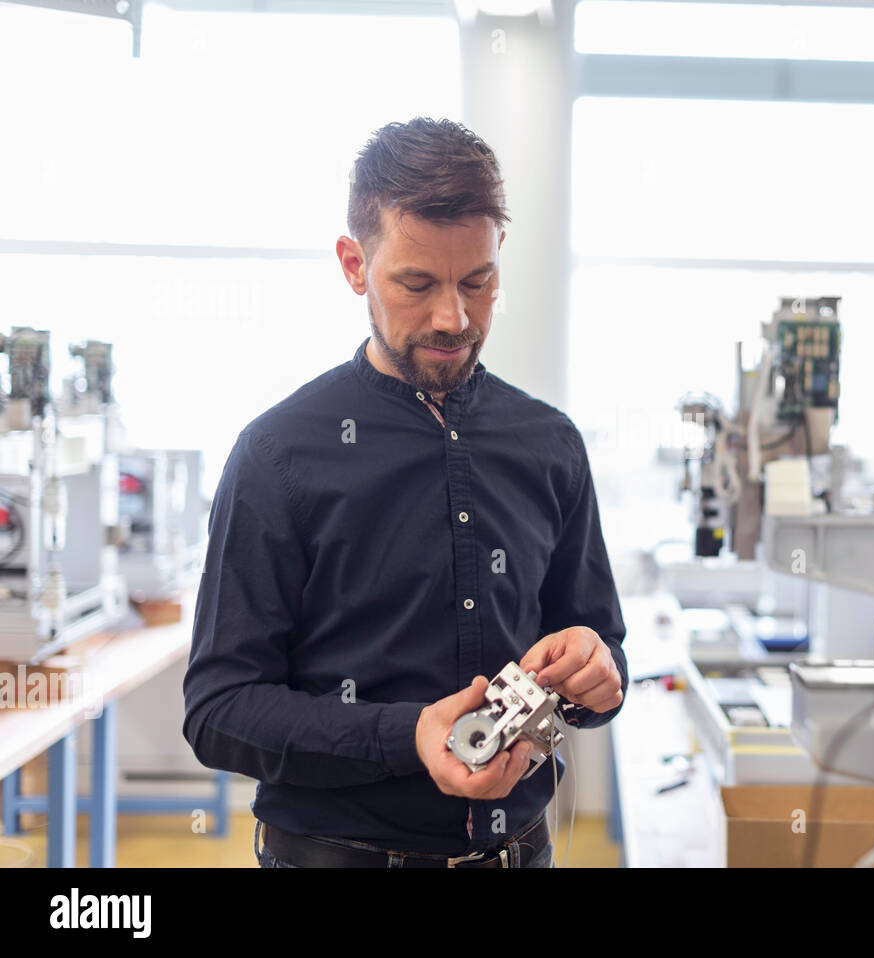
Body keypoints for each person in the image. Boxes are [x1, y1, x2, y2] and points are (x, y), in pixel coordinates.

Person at [182, 117, 627, 868]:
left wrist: (596, 672)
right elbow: (220, 710)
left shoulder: (550, 443)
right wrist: (407, 736)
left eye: (477, 282)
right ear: (355, 265)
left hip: (521, 852)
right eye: (416, 284)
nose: (453, 319)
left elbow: (598, 647)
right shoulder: (276, 454)